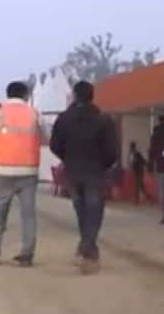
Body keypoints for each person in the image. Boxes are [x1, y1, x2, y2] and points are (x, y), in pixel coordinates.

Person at [49, 81, 119, 275]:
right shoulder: (104, 119)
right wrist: (103, 164)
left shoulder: (63, 119)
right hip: (95, 172)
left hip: (73, 171)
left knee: (81, 212)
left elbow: (55, 145)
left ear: (75, 95)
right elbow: (112, 150)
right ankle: (89, 251)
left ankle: (86, 248)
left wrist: (68, 158)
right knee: (94, 212)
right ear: (92, 96)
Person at [0, 81, 45, 267]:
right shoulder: (35, 114)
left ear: (7, 95)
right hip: (29, 171)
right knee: (28, 215)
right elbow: (46, 137)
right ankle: (27, 255)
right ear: (25, 95)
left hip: (2, 171)